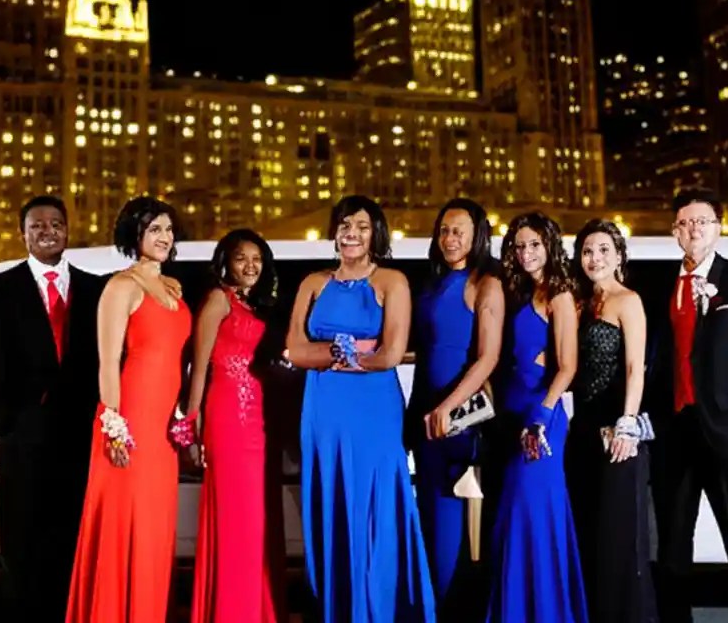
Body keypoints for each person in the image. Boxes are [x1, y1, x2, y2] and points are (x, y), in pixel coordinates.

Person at [286, 195, 435, 622]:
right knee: (331, 498)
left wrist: (335, 357)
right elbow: (294, 349)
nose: (351, 232)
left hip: (373, 409)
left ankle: (381, 608)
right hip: (323, 409)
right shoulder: (313, 282)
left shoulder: (392, 281)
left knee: (376, 502)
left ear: (376, 234)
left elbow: (391, 354)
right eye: (345, 224)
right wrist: (347, 353)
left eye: (362, 226)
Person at [649, 189, 728, 623]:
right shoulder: (660, 288)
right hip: (675, 432)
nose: (693, 229)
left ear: (719, 228)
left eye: (702, 221)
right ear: (674, 232)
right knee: (671, 547)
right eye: (685, 223)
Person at [0, 195, 103, 621]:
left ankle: (72, 607)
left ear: (68, 229)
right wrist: (5, 419)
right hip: (24, 431)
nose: (48, 231)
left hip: (82, 428)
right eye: (38, 225)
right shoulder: (0, 288)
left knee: (73, 527)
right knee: (24, 532)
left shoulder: (94, 286)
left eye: (56, 224)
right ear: (22, 233)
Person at [66, 196, 192, 623]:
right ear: (134, 235)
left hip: (163, 430)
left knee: (156, 530)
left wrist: (181, 418)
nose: (163, 237)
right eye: (154, 229)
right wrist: (114, 427)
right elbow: (107, 361)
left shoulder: (173, 287)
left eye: (168, 229)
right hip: (131, 420)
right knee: (127, 524)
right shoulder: (121, 286)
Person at [485, 212, 587, 623]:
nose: (526, 253)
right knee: (513, 515)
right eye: (519, 245)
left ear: (550, 247)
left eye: (535, 245)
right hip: (510, 416)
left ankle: (545, 612)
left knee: (535, 512)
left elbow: (568, 366)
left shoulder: (558, 295)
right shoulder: (515, 292)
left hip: (541, 417)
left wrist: (541, 417)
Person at [411, 198, 504, 619]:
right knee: (429, 522)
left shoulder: (485, 283)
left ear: (477, 235)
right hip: (426, 419)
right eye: (444, 230)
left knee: (456, 530)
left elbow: (487, 357)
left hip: (460, 421)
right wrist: (417, 415)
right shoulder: (431, 283)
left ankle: (453, 612)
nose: (450, 238)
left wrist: (447, 408)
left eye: (459, 230)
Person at [186, 229, 284, 623]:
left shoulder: (254, 306)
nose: (250, 265)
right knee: (234, 523)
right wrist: (191, 424)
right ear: (225, 261)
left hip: (260, 421)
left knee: (258, 523)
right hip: (227, 419)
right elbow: (199, 367)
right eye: (241, 257)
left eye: (257, 258)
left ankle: (257, 610)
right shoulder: (217, 300)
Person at [566, 219, 657, 623]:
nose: (595, 258)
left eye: (604, 249)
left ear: (619, 256)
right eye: (587, 251)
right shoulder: (578, 303)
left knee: (618, 539)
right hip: (581, 431)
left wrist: (627, 424)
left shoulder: (628, 301)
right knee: (585, 530)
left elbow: (637, 367)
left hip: (615, 433)